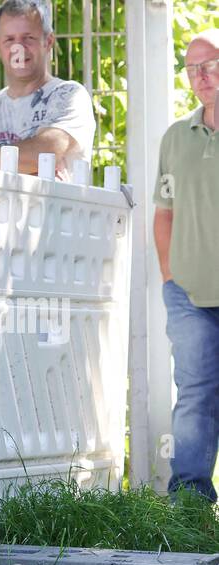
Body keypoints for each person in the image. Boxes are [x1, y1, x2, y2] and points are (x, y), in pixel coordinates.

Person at [154, 29, 219, 502]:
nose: (201, 76)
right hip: (190, 298)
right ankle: (190, 508)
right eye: (193, 67)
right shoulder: (176, 137)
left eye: (211, 63)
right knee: (194, 399)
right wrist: (170, 281)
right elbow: (164, 213)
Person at [0, 0, 96, 179]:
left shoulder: (69, 95)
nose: (18, 47)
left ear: (48, 41)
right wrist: (28, 162)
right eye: (9, 39)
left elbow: (45, 153)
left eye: (28, 38)